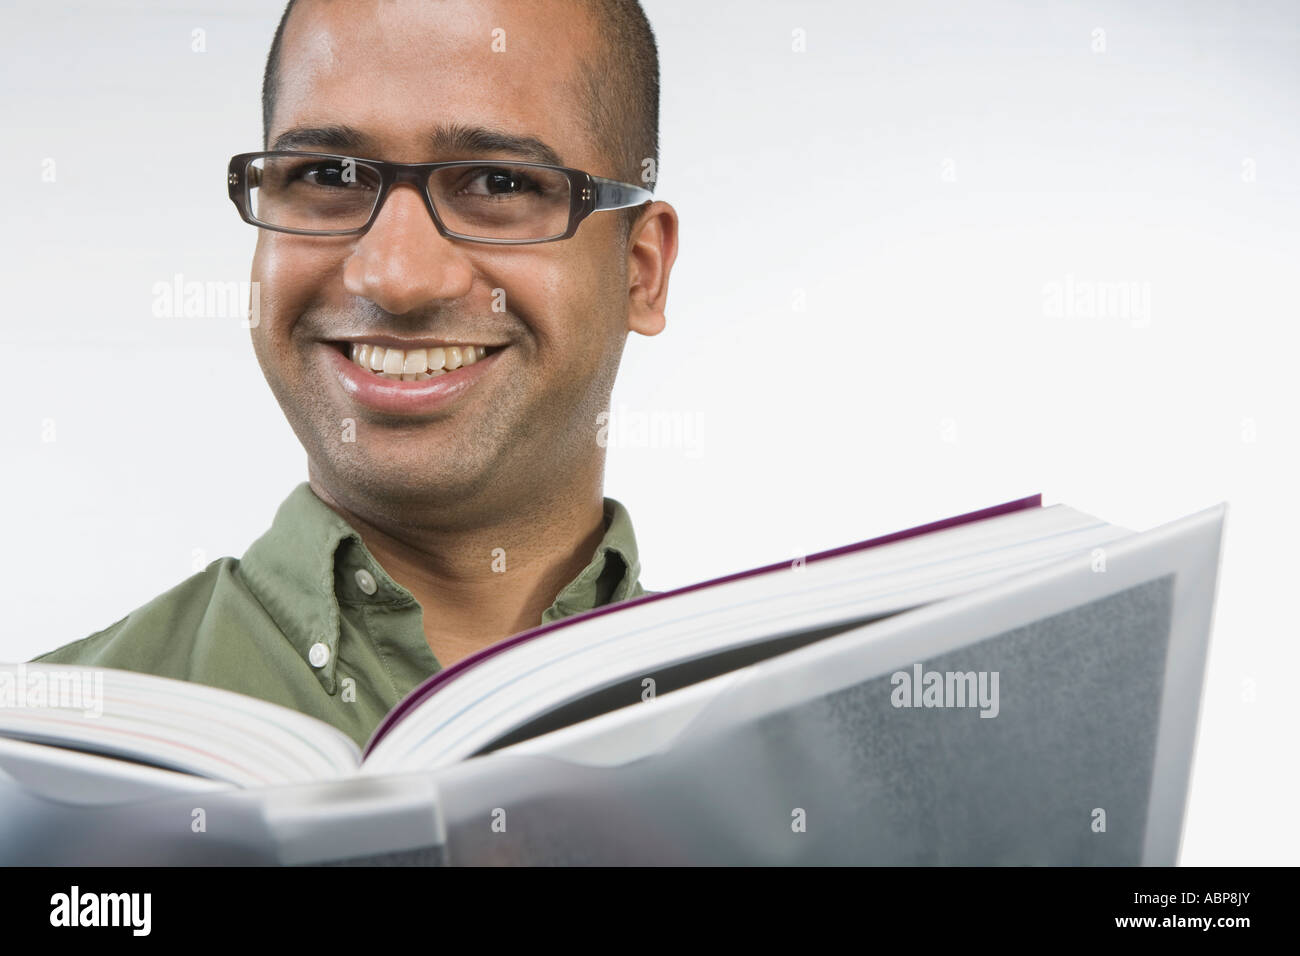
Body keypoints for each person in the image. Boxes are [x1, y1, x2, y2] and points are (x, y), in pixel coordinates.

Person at [33, 0, 680, 749]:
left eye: (500, 183)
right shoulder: (44, 757)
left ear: (642, 273)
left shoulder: (795, 751)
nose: (397, 276)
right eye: (328, 174)